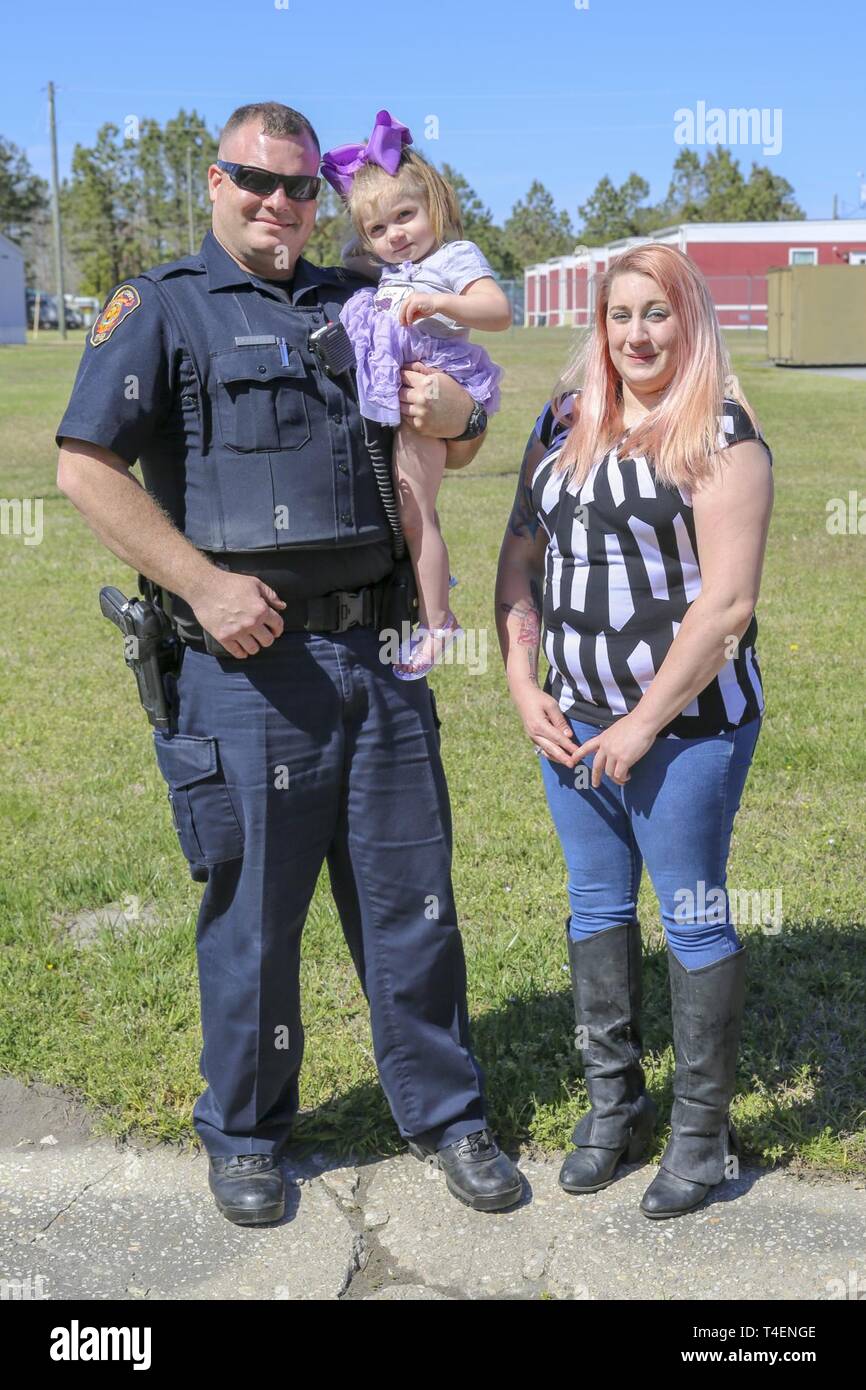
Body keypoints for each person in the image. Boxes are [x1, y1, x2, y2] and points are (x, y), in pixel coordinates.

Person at [55, 100, 521, 1223]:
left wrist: (461, 417)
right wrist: (204, 588)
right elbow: (85, 467)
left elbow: (442, 437)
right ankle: (249, 1129)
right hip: (246, 670)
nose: (278, 204)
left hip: (380, 655)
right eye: (254, 181)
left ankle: (448, 1114)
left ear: (322, 197)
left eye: (300, 187)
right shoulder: (164, 309)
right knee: (255, 916)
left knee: (413, 901)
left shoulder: (359, 296)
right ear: (213, 184)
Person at [495, 243, 773, 1219]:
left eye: (655, 314)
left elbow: (725, 609)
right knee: (593, 904)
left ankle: (701, 1138)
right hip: (569, 722)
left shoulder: (721, 436)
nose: (636, 334)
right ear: (598, 325)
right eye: (619, 315)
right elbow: (518, 557)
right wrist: (522, 681)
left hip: (685, 727)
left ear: (689, 321)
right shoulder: (561, 425)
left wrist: (640, 724)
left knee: (691, 913)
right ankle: (612, 1105)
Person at [321, 109, 511, 679]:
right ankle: (429, 593)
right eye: (378, 230)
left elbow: (498, 312)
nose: (395, 235)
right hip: (393, 397)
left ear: (434, 204)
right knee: (402, 507)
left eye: (405, 216)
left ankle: (439, 620)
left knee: (415, 510)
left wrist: (443, 303)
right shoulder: (388, 270)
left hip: (432, 388)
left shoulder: (453, 259)